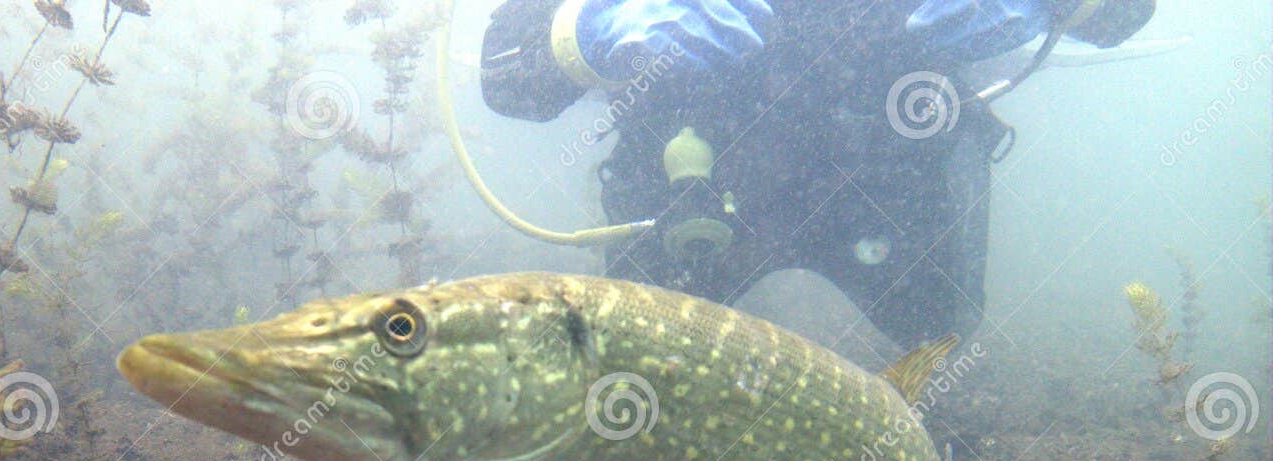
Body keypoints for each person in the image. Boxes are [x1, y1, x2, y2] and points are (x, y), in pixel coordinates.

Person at [480, 0, 1156, 346]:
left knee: (941, 328)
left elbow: (1130, 14)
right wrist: (586, 25)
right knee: (631, 360)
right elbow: (502, 76)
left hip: (888, 183)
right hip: (697, 188)